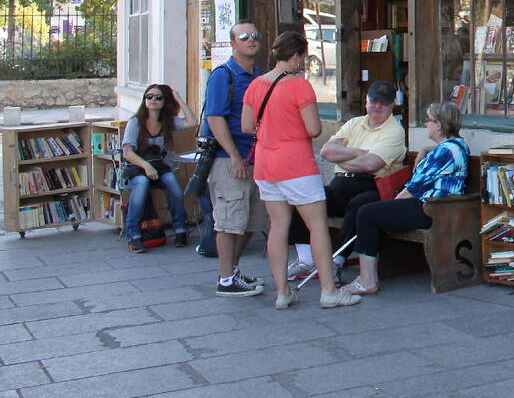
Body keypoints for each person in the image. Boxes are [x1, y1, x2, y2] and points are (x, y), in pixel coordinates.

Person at [242, 31, 360, 310]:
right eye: (302, 58)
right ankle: (329, 290)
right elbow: (314, 129)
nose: (303, 63)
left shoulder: (256, 85)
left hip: (265, 164)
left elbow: (247, 127)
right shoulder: (299, 86)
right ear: (294, 56)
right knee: (316, 225)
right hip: (296, 163)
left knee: (278, 227)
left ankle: (283, 292)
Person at [341, 102, 469, 297]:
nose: (427, 124)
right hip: (435, 205)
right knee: (373, 211)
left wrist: (393, 202)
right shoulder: (457, 146)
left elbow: (414, 188)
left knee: (367, 213)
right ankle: (369, 275)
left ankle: (367, 280)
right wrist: (425, 150)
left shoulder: (445, 151)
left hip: (430, 208)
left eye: (429, 120)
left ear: (439, 125)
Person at [285, 80, 407, 282]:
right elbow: (326, 151)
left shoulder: (394, 131)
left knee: (359, 206)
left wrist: (343, 157)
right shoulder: (354, 123)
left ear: (392, 105)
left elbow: (370, 165)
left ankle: (337, 262)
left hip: (371, 185)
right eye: (374, 101)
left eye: (383, 103)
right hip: (339, 185)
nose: (377, 106)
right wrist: (359, 153)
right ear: (366, 101)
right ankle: (306, 260)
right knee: (304, 196)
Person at [204, 20, 267, 298]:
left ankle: (234, 270)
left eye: (255, 36)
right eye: (243, 36)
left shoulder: (259, 76)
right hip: (228, 160)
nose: (250, 40)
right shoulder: (223, 75)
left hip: (255, 159)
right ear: (233, 43)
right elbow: (215, 118)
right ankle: (226, 278)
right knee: (229, 222)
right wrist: (233, 156)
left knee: (250, 221)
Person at [122, 84, 192, 253]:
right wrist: (146, 167)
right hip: (137, 169)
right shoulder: (135, 122)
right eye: (149, 96)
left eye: (158, 97)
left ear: (165, 101)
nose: (153, 100)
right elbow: (127, 153)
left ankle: (180, 230)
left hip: (159, 169)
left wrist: (179, 100)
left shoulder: (168, 122)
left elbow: (192, 122)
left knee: (172, 183)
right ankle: (134, 235)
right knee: (142, 183)